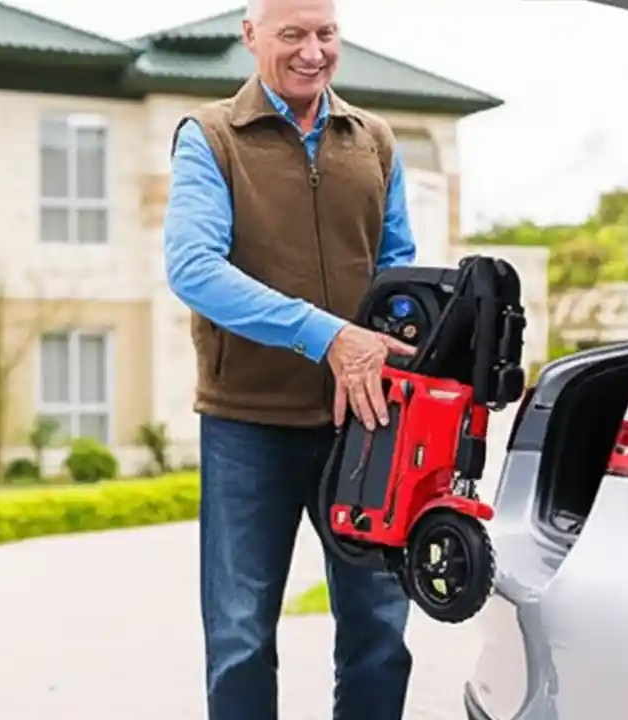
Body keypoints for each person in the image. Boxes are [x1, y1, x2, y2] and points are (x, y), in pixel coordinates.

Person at [160, 0, 418, 717]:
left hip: (365, 422)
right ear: (251, 37)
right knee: (240, 637)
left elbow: (396, 271)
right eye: (292, 34)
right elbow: (193, 268)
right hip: (248, 424)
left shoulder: (374, 140)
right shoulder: (211, 137)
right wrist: (328, 336)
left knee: (380, 632)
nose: (313, 51)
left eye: (326, 33)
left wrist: (388, 348)